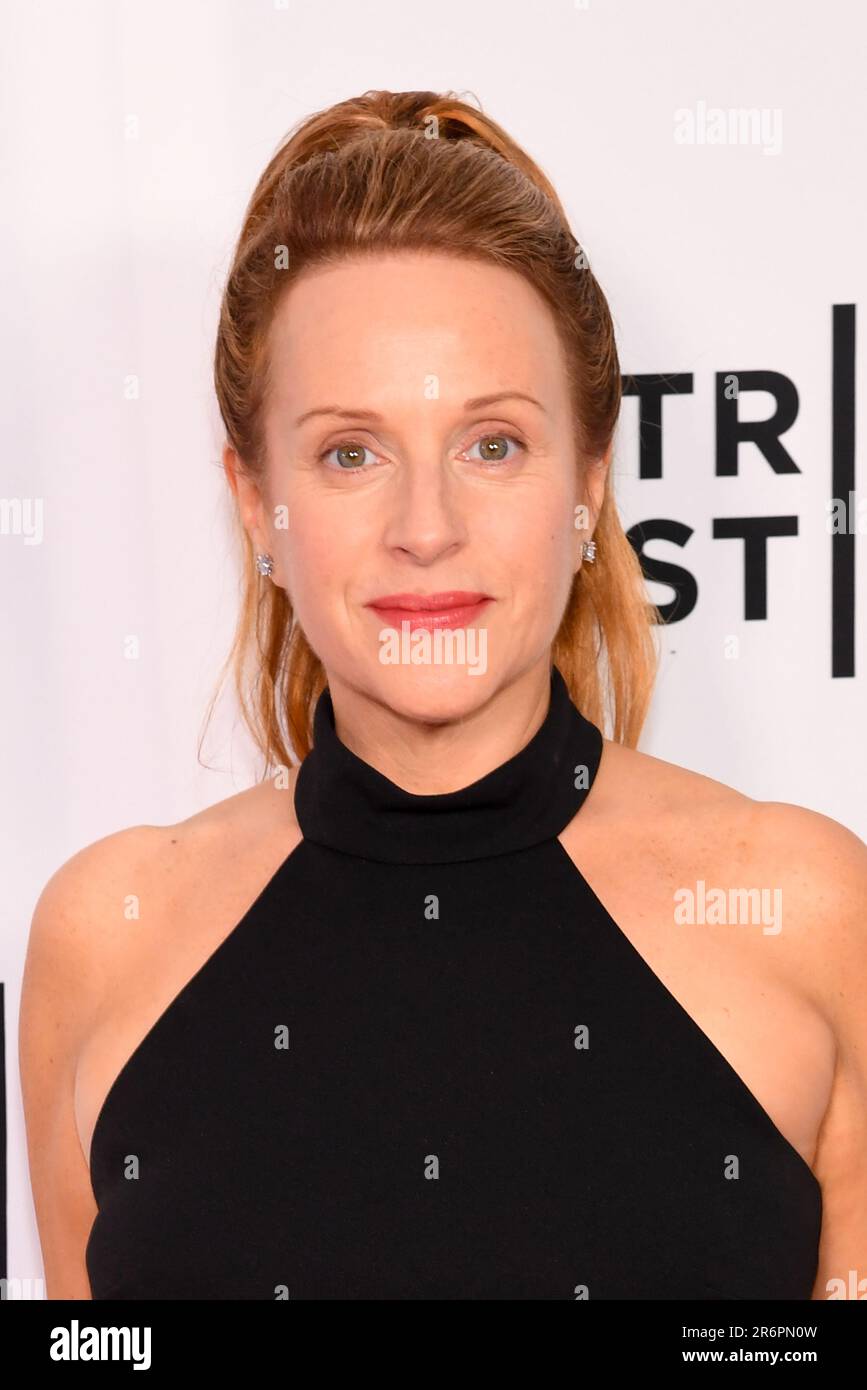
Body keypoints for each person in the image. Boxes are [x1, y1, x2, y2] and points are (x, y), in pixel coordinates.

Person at [20, 89, 867, 1300]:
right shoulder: (106, 940)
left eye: (494, 444)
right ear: (257, 501)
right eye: (350, 452)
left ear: (589, 475)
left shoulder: (810, 914)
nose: (428, 529)